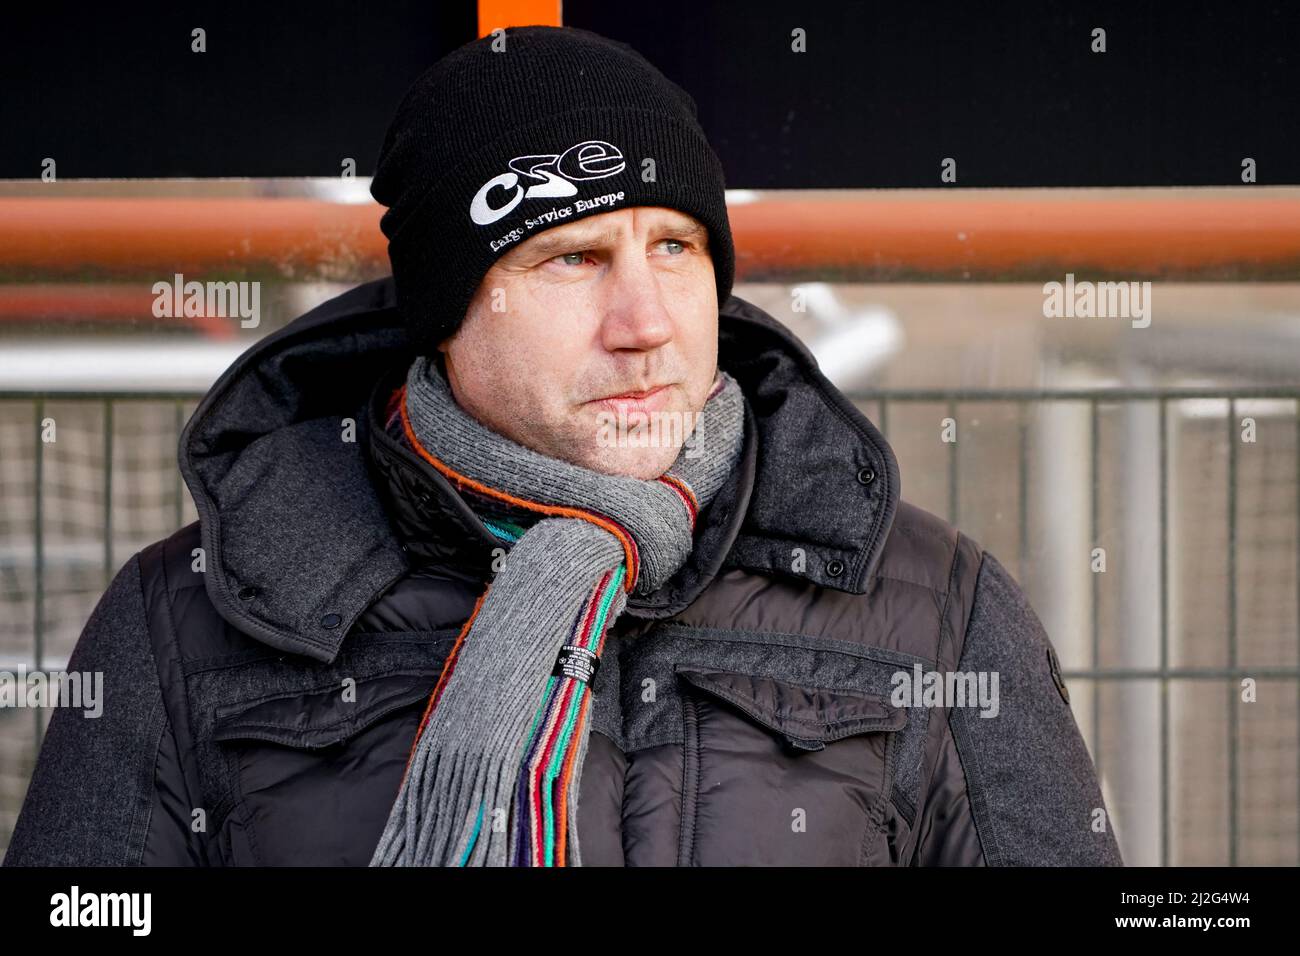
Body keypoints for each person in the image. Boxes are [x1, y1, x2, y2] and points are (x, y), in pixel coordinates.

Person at [4, 25, 1121, 867]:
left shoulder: (927, 599)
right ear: (449, 310)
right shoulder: (194, 614)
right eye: (573, 259)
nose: (647, 321)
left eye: (675, 247)